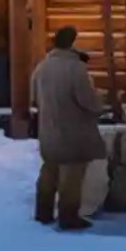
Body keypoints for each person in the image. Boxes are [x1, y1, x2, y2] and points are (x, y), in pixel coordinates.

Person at [31, 25, 105, 231]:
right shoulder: (76, 69)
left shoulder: (42, 67)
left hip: (48, 128)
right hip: (73, 130)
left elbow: (34, 97)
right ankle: (68, 215)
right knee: (72, 174)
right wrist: (100, 103)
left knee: (49, 169)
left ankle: (43, 212)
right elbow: (87, 100)